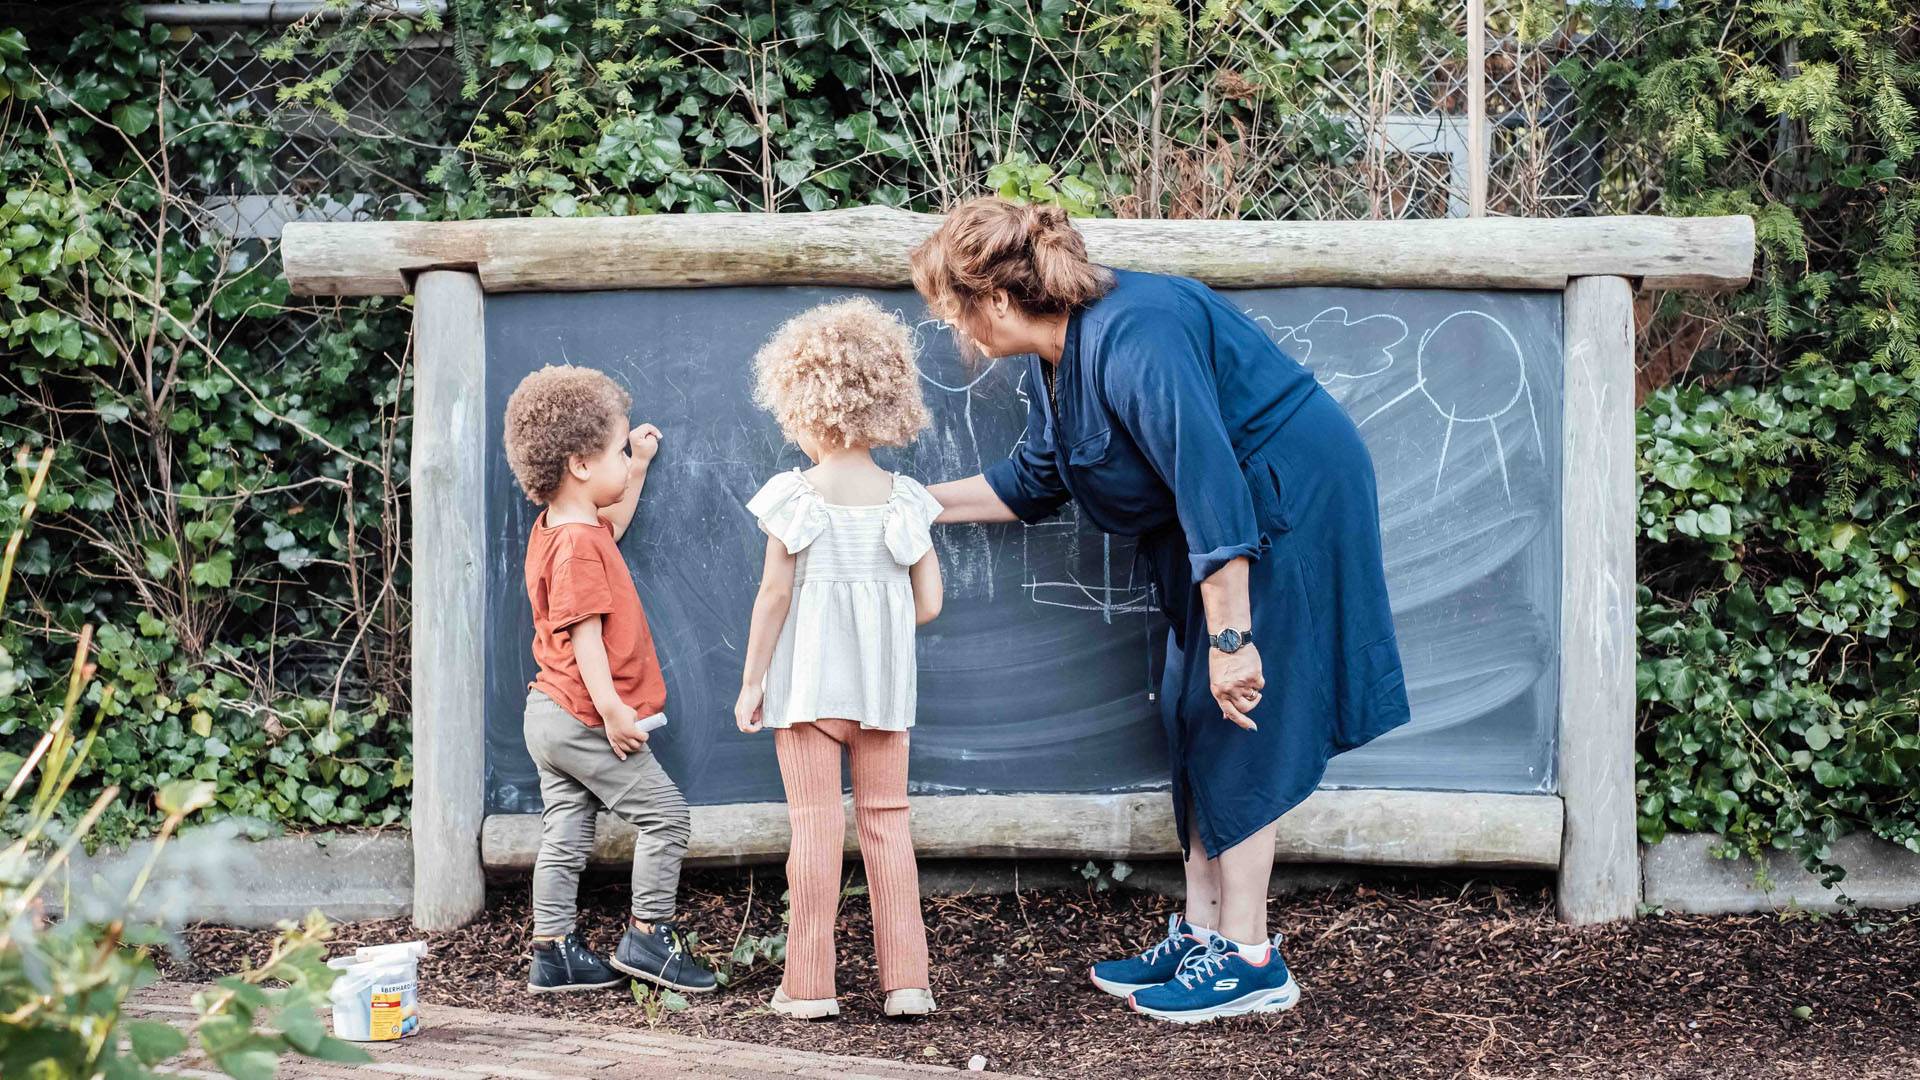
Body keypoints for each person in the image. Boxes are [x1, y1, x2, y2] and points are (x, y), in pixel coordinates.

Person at [911, 197, 1412, 1023]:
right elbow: (1033, 482)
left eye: (953, 312)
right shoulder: (1059, 359)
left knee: (1238, 711)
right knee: (1188, 709)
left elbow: (1211, 484)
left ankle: (1250, 957)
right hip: (1211, 526)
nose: (956, 332)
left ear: (995, 300)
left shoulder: (1137, 334)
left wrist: (1232, 638)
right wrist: (907, 504)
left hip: (1279, 503)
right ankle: (1204, 930)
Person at [734, 297, 945, 1021]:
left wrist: (754, 679)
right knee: (889, 827)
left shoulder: (796, 498)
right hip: (885, 698)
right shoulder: (905, 502)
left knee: (815, 831)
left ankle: (809, 986)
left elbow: (773, 595)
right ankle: (908, 983)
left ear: (801, 402)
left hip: (807, 696)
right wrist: (880, 624)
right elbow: (930, 603)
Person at [502, 364, 717, 996]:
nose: (627, 458)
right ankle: (650, 936)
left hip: (548, 712)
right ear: (580, 465)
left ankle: (553, 950)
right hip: (582, 712)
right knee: (667, 817)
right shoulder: (578, 548)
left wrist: (640, 466)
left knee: (567, 829)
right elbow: (584, 634)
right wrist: (614, 712)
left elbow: (612, 523)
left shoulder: (562, 529)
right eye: (619, 450)